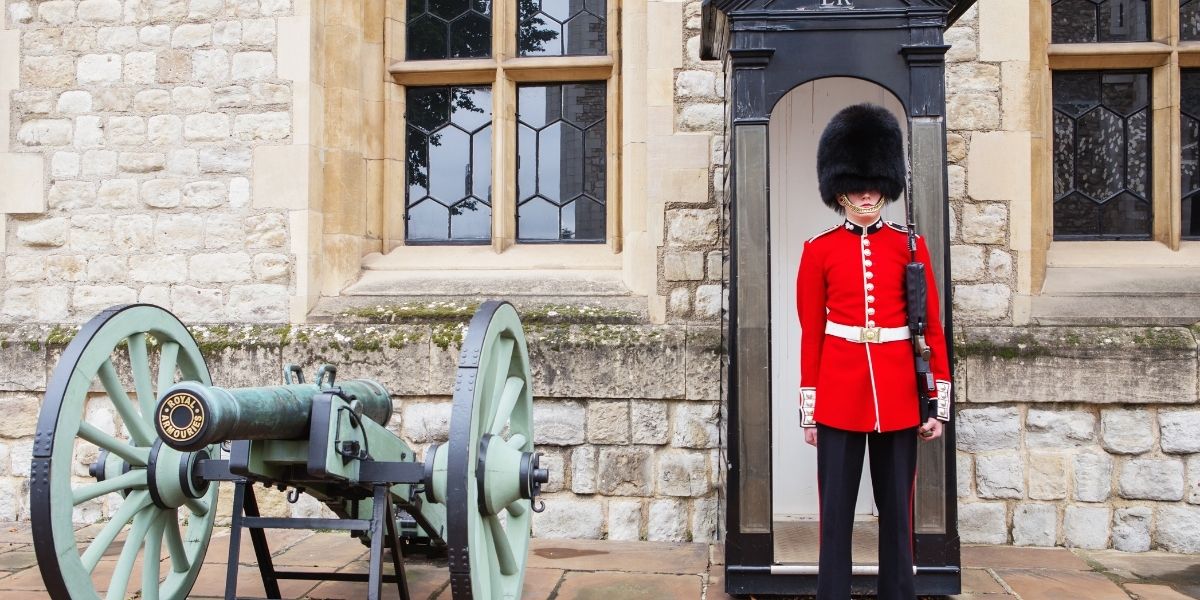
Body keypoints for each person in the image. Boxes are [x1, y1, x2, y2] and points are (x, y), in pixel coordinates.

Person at [796, 103, 952, 600]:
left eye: (874, 184)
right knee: (836, 514)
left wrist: (937, 403)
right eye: (856, 185)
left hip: (900, 395)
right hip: (840, 395)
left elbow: (932, 328)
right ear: (838, 189)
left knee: (897, 515)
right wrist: (810, 408)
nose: (866, 194)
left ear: (886, 184)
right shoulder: (818, 250)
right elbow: (811, 333)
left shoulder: (911, 245)